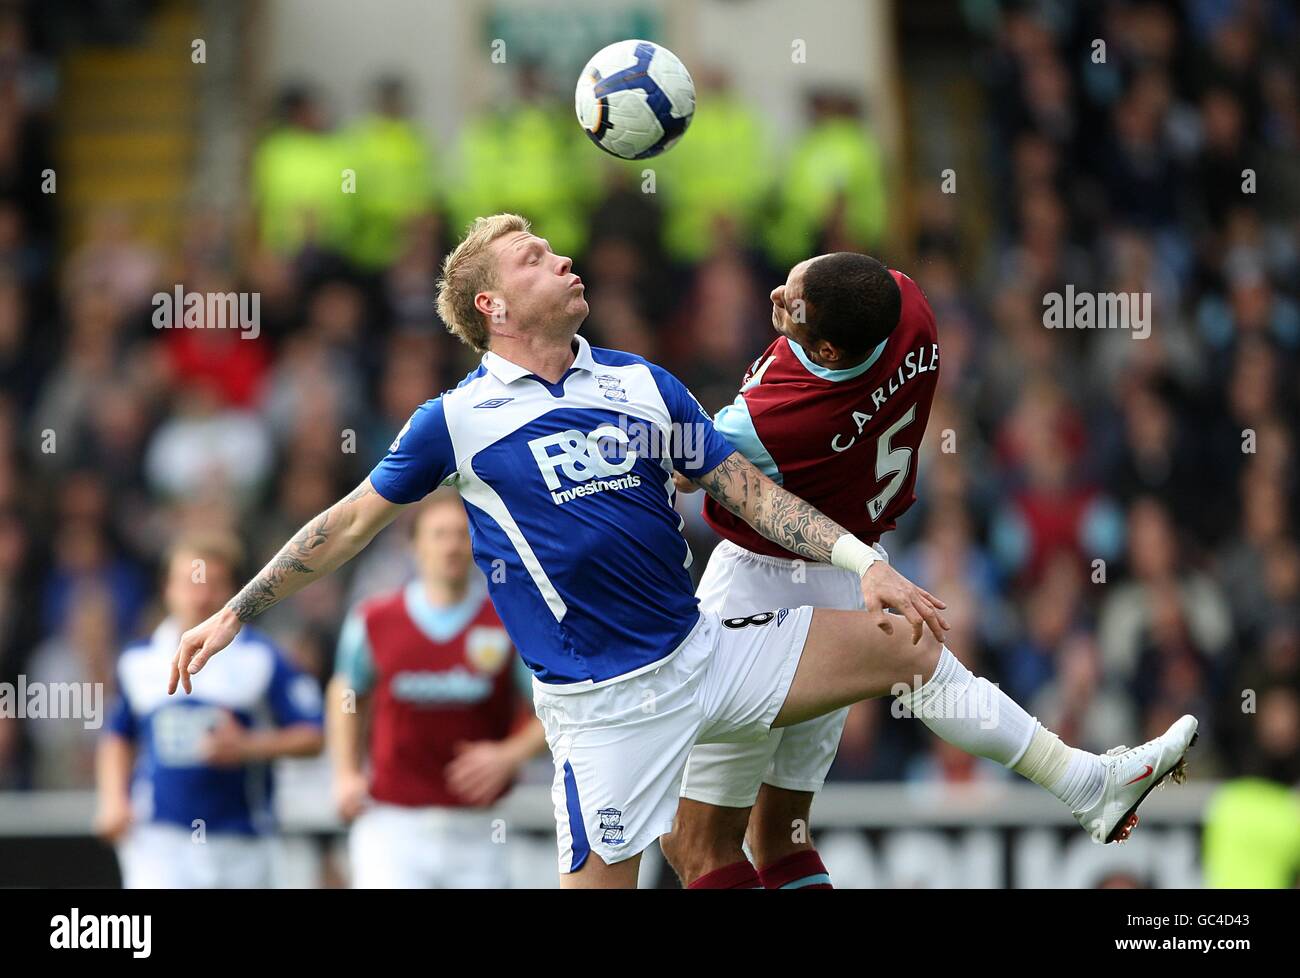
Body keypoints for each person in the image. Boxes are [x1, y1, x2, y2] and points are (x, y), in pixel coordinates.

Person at [169, 213, 1198, 889]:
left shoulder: (637, 382)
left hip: (704, 654)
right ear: (490, 304)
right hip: (603, 711)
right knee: (705, 856)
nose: (560, 257)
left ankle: (1086, 786)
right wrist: (236, 610)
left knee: (907, 642)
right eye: (532, 256)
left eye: (553, 247)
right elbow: (345, 522)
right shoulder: (457, 422)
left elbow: (742, 490)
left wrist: (861, 563)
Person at [661, 252, 937, 889]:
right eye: (791, 280)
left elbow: (688, 466)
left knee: (696, 843)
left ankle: (1075, 777)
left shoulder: (770, 416)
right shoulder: (909, 308)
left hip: (760, 578)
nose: (776, 301)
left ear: (831, 351)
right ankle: (1073, 773)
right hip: (850, 580)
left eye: (794, 308)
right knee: (782, 832)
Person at [327, 489, 545, 888]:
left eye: (462, 535)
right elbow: (346, 694)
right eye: (439, 534)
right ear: (415, 546)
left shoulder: (506, 623)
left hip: (479, 828)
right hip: (391, 825)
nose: (451, 546)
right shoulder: (374, 619)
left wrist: (510, 755)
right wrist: (344, 772)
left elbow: (551, 710)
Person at [96, 533, 323, 888]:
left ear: (234, 591)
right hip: (159, 842)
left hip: (241, 842)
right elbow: (117, 737)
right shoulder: (137, 661)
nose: (201, 596)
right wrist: (113, 800)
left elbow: (313, 734)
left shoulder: (261, 657)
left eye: (214, 585)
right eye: (190, 583)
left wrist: (249, 747)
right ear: (167, 588)